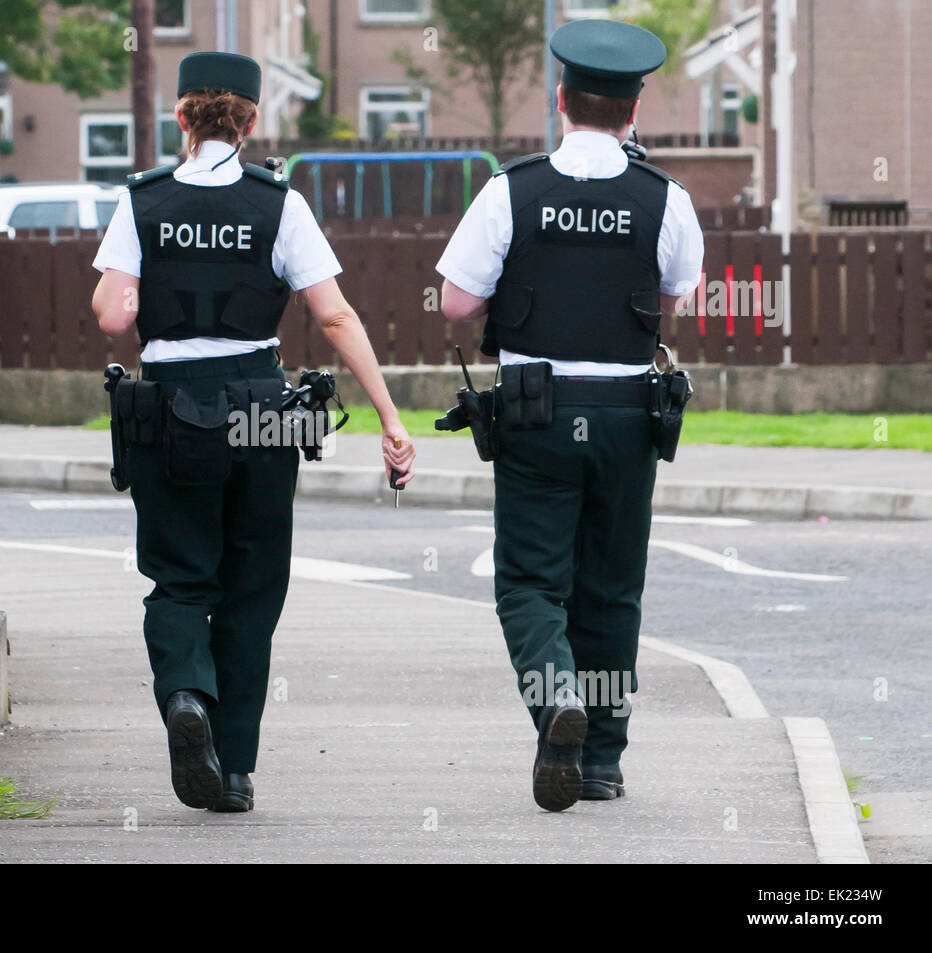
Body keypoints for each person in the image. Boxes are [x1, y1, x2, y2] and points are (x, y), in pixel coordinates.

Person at [91, 52, 416, 813]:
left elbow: (113, 317)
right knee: (252, 584)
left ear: (182, 117)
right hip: (262, 408)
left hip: (171, 403)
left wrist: (138, 290)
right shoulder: (281, 203)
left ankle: (184, 697)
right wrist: (390, 417)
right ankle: (233, 766)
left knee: (178, 578)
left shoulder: (143, 200)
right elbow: (333, 315)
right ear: (252, 120)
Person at [436, 19, 704, 812]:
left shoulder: (510, 189)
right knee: (613, 589)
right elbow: (675, 300)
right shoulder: (665, 198)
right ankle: (602, 761)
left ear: (561, 101)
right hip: (626, 414)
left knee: (529, 582)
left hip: (535, 414)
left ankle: (558, 699)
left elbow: (456, 301)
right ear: (634, 111)